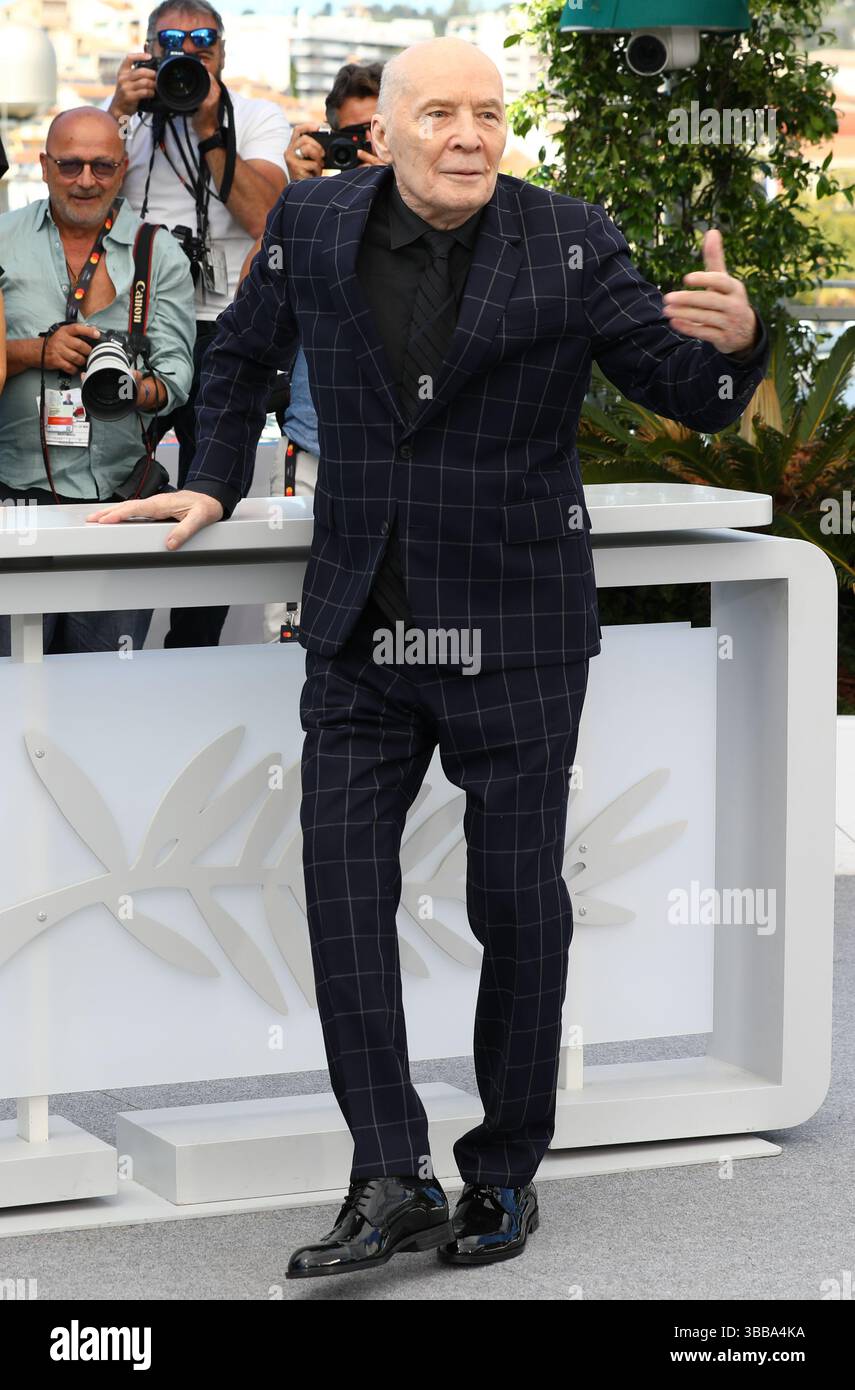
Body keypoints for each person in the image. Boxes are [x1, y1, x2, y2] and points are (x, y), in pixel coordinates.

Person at [87, 37, 771, 1275]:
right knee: (342, 896)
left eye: (490, 114)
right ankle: (388, 1172)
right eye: (442, 113)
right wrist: (211, 484)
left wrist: (735, 349)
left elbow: (679, 385)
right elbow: (238, 352)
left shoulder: (569, 236)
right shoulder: (314, 217)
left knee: (517, 907)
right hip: (358, 629)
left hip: (516, 632)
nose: (470, 134)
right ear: (387, 128)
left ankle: (504, 1174)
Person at [107, 1, 289, 647]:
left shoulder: (258, 117)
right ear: (149, 47)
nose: (190, 49)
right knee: (108, 473)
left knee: (216, 484)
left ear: (223, 50)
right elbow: (84, 192)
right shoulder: (125, 120)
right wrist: (116, 113)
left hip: (224, 330)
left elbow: (268, 215)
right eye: (173, 40)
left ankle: (192, 645)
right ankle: (107, 631)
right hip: (134, 324)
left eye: (203, 38)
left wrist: (211, 125)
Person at [0, 106, 194, 656]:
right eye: (70, 165)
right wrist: (35, 351)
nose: (86, 181)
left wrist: (132, 388)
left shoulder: (156, 253)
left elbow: (178, 376)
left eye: (102, 167)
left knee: (107, 681)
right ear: (42, 166)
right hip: (12, 496)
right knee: (9, 684)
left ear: (123, 167)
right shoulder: (3, 240)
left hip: (117, 502)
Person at [238, 61, 387, 643]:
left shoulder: (440, 209)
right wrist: (295, 195)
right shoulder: (308, 210)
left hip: (407, 459)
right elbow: (251, 308)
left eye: (374, 134)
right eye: (347, 139)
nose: (360, 150)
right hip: (316, 449)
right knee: (296, 626)